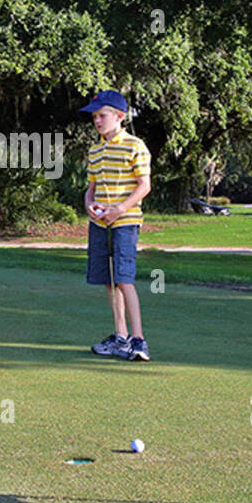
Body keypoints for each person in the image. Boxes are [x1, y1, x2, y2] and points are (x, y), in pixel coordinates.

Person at [81, 90, 152, 362]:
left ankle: (139, 340)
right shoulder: (95, 150)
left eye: (102, 115)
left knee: (124, 278)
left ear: (120, 116)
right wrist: (89, 204)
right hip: (99, 223)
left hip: (125, 221)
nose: (97, 120)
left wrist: (119, 209)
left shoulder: (135, 145)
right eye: (95, 116)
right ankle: (120, 336)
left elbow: (144, 185)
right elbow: (91, 189)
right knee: (109, 281)